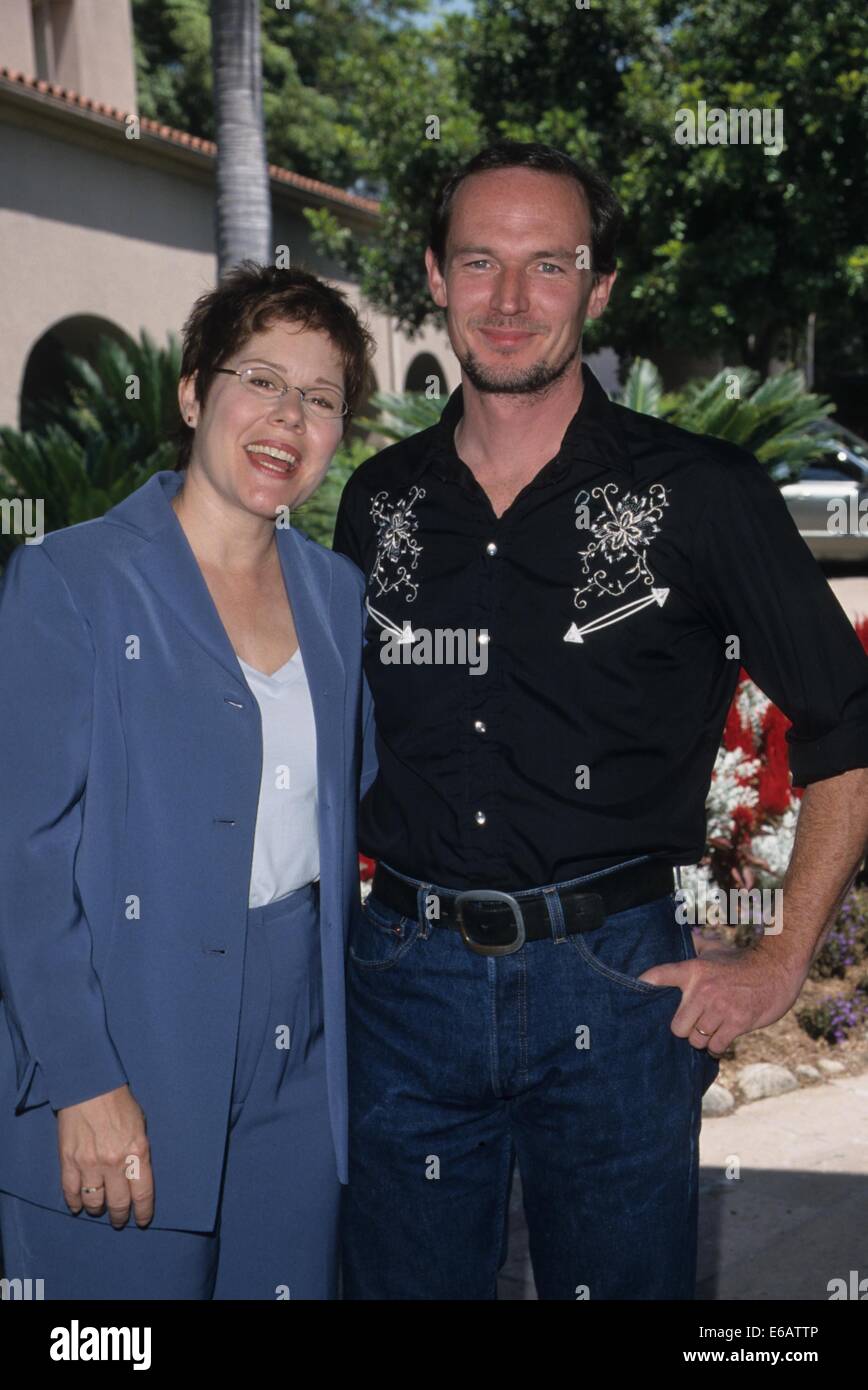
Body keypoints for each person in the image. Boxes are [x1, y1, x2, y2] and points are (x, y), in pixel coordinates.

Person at [332, 140, 868, 1300]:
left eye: (549, 265)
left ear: (601, 286)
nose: (511, 301)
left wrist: (780, 959)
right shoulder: (380, 504)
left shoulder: (701, 492)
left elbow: (847, 719)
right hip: (404, 983)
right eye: (480, 262)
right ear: (433, 273)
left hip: (619, 990)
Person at [0, 262, 375, 1300]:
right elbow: (18, 861)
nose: (286, 418)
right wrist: (81, 1077)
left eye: (320, 397)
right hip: (128, 1032)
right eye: (260, 379)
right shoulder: (70, 579)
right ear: (191, 391)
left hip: (302, 1056)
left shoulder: (338, 595)